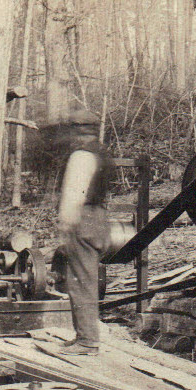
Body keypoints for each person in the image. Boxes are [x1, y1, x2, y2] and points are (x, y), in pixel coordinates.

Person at [53, 108, 113, 355]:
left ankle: (87, 341)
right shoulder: (102, 152)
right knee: (85, 279)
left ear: (77, 131)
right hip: (99, 218)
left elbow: (74, 193)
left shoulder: (81, 156)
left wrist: (66, 223)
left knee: (81, 282)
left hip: (84, 219)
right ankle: (83, 336)